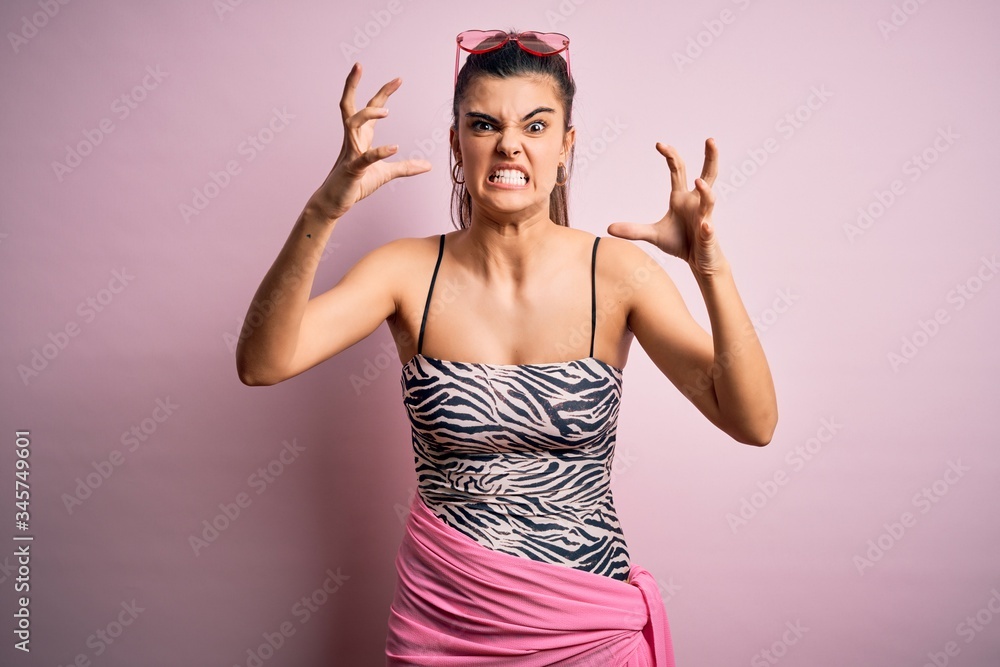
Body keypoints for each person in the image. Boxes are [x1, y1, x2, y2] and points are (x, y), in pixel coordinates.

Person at [236, 28, 777, 666]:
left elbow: (753, 422)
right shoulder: (405, 273)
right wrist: (323, 211)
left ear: (566, 147)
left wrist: (709, 266)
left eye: (537, 125)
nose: (510, 144)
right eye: (485, 124)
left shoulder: (619, 274)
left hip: (586, 629)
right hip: (447, 624)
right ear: (456, 142)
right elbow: (262, 362)